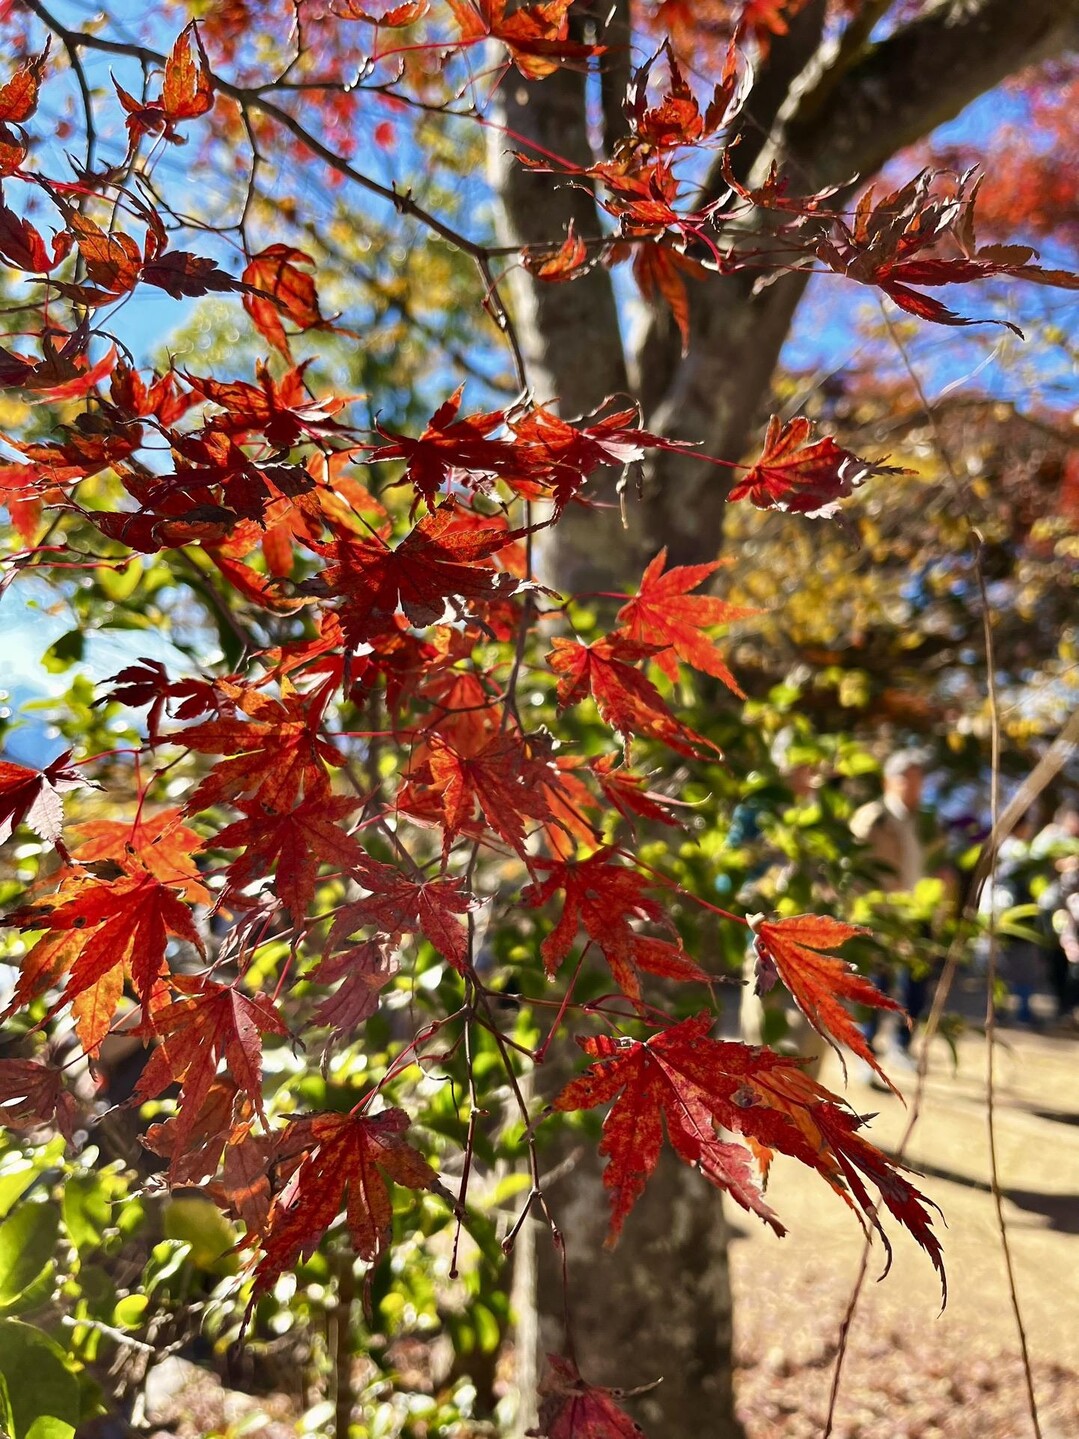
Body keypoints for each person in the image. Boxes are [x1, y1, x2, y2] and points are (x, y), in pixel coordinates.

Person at [850, 748, 932, 1076]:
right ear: (889, 782)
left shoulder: (926, 821)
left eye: (917, 779)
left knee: (916, 980)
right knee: (875, 982)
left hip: (918, 911)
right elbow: (851, 868)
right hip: (881, 912)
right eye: (905, 779)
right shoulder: (873, 817)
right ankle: (866, 1049)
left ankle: (902, 1043)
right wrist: (861, 912)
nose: (911, 786)